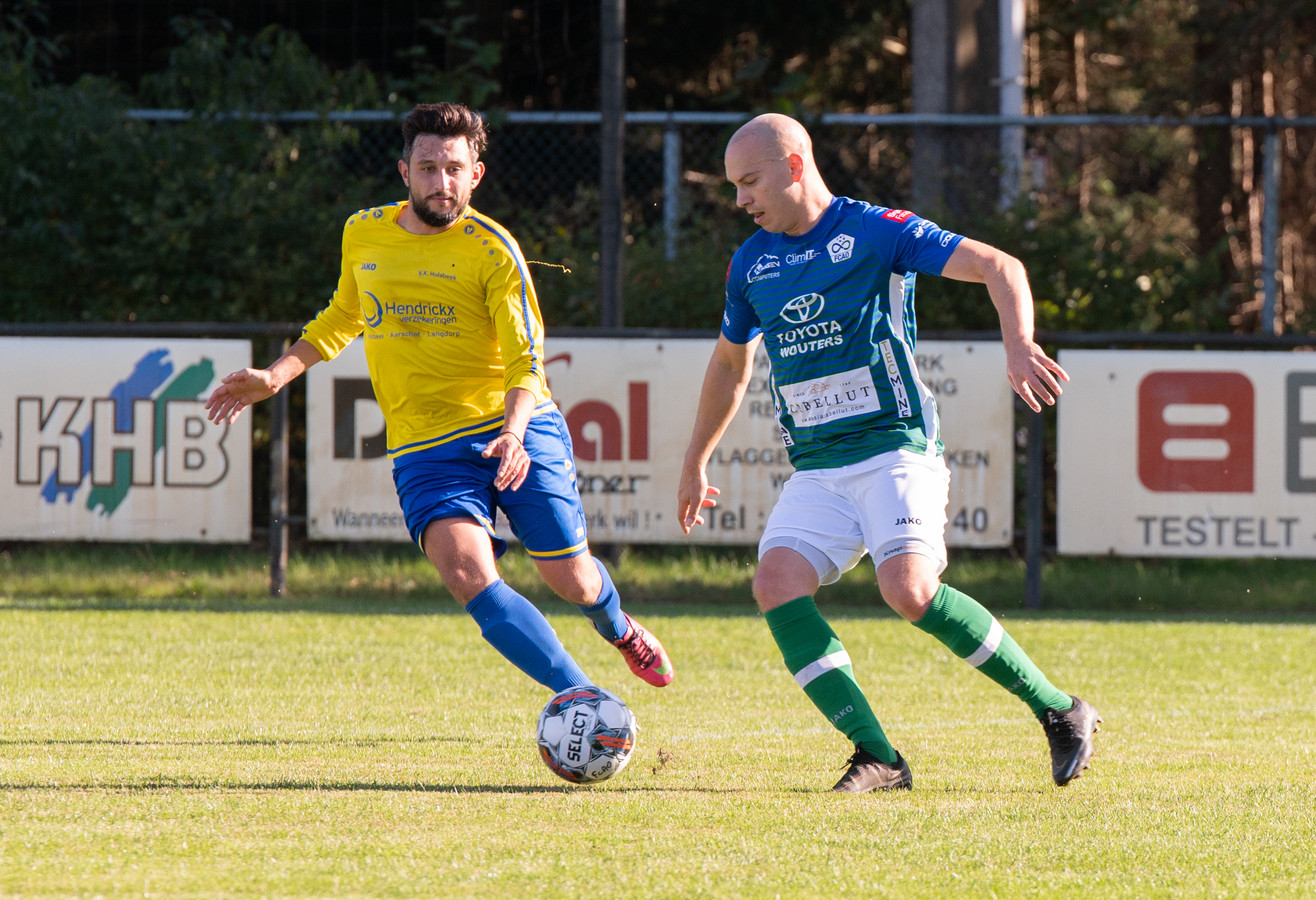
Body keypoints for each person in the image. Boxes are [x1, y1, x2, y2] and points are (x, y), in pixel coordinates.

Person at [677, 113, 1098, 793]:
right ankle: (879, 756)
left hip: (896, 452)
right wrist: (696, 458)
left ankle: (1057, 708)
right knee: (775, 586)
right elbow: (730, 365)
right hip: (818, 467)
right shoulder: (751, 261)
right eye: (733, 187)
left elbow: (999, 265)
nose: (740, 200)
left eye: (749, 182)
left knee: (908, 590)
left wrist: (1018, 343)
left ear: (793, 165)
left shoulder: (873, 231)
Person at [206, 101, 672, 697]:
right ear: (405, 172)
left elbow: (528, 359)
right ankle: (583, 700)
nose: (441, 182)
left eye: (454, 168)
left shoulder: (494, 251)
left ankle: (618, 625)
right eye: (427, 167)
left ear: (476, 174)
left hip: (514, 429)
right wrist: (276, 376)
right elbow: (343, 316)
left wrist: (513, 431)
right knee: (467, 573)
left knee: (571, 578)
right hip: (424, 445)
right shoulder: (362, 232)